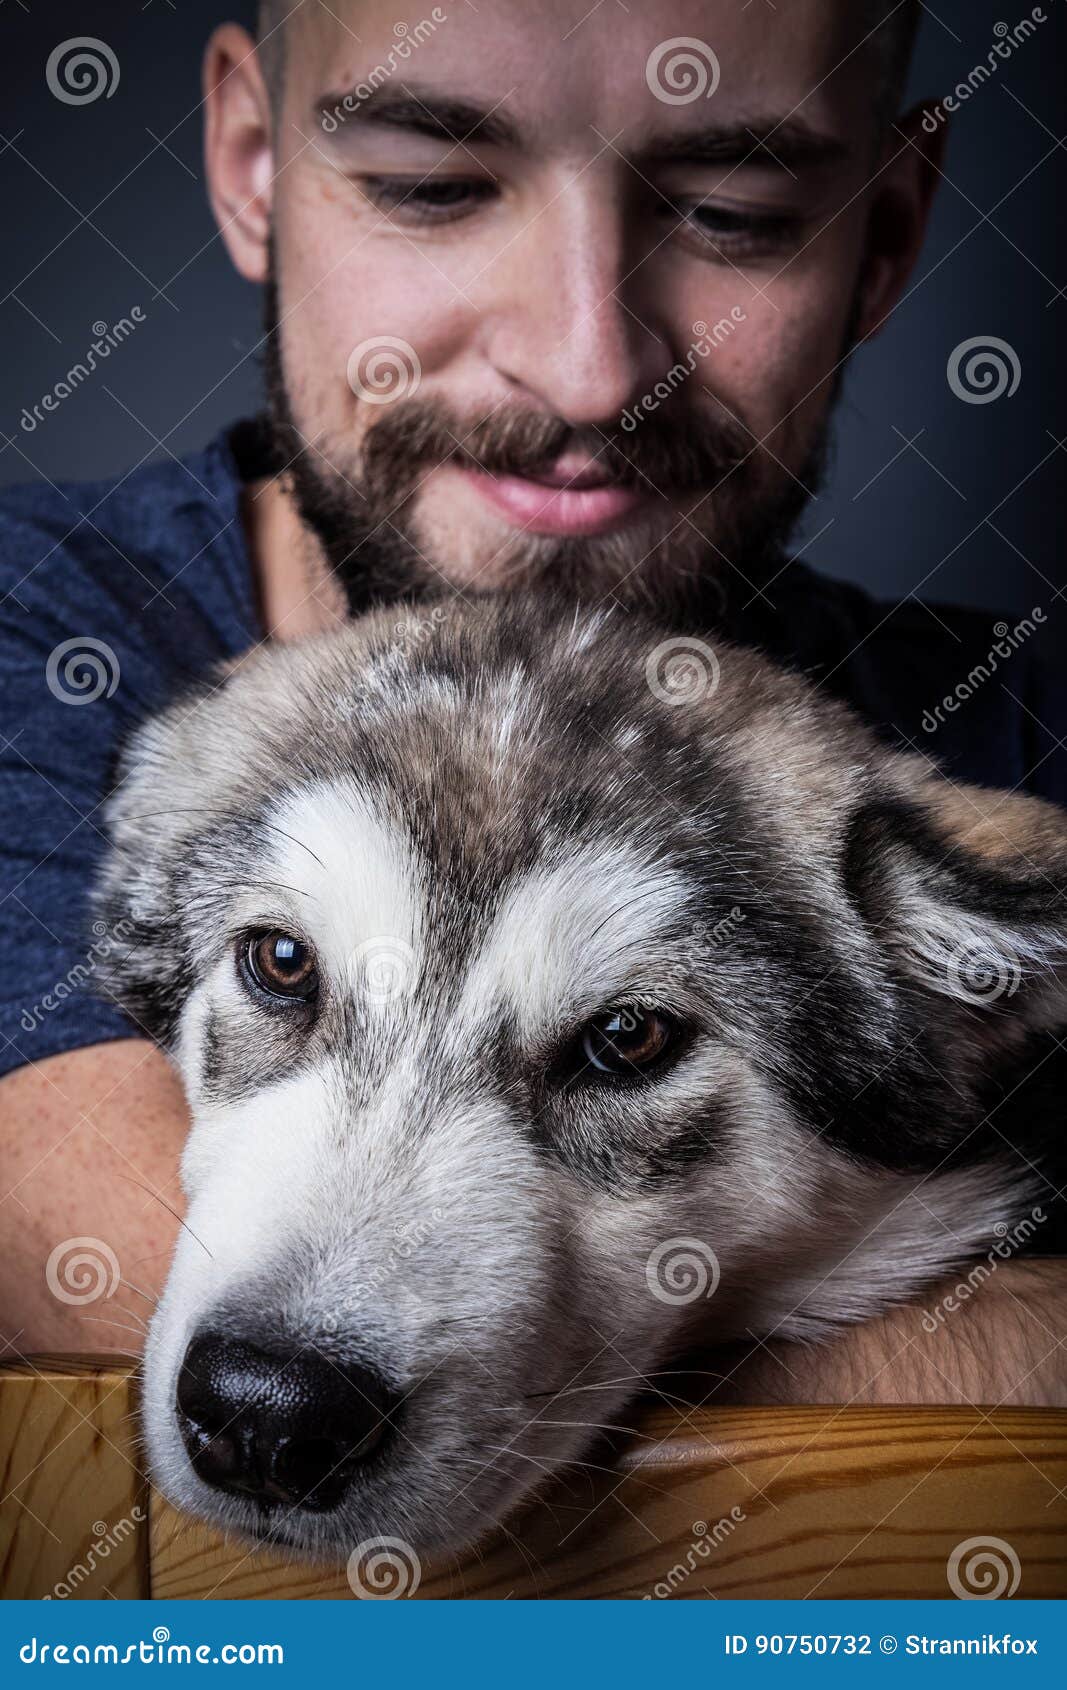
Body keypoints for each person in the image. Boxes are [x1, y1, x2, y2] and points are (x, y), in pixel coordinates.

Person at [2, 0, 1064, 1403]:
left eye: (737, 213)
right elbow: (72, 1238)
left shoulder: (1023, 726)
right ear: (252, 160)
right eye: (432, 188)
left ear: (884, 233)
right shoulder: (40, 638)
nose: (589, 367)